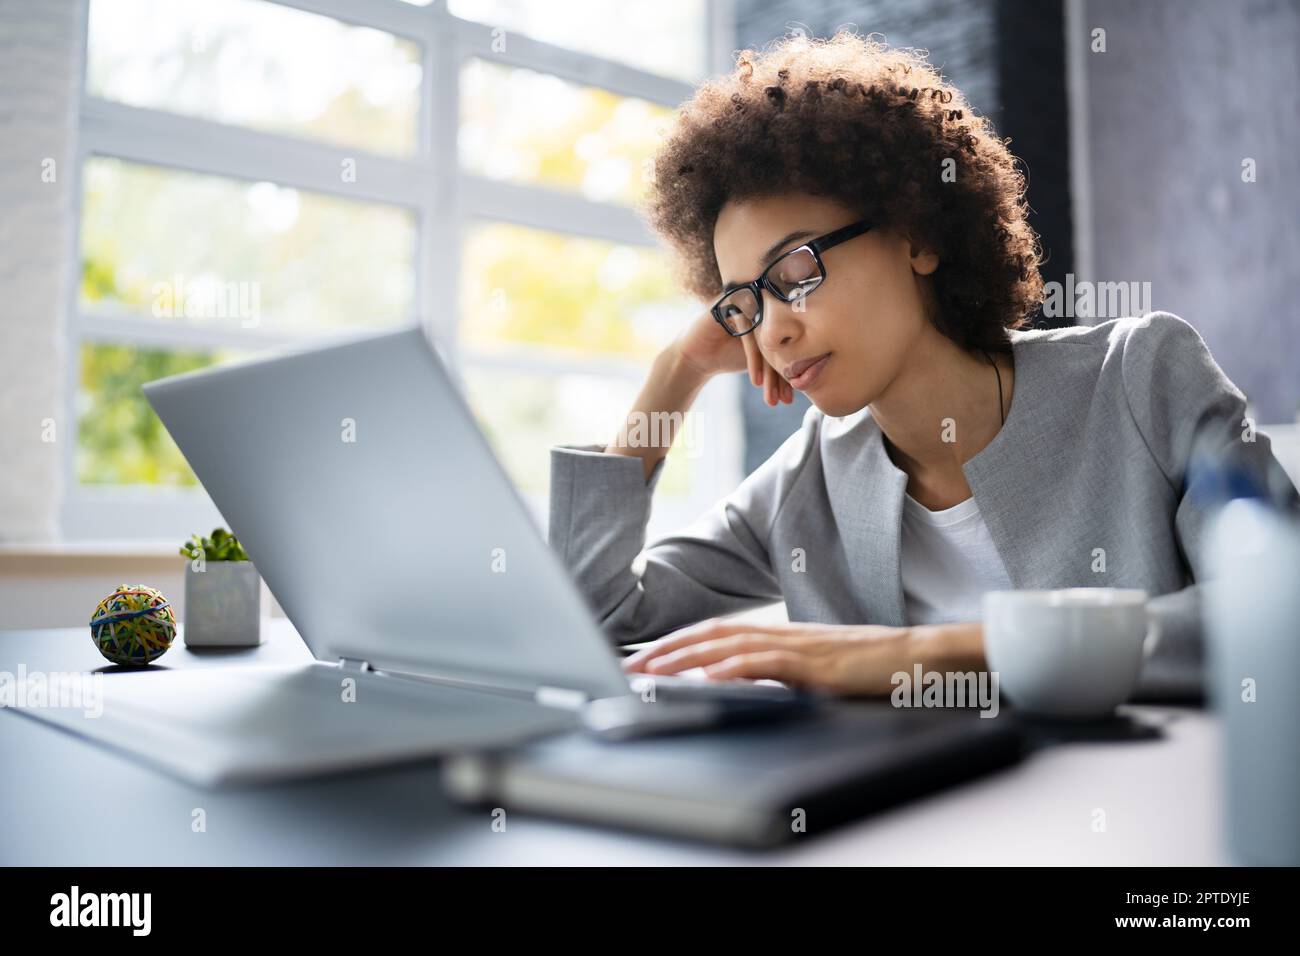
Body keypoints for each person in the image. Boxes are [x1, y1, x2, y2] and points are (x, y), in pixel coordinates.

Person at [545, 31, 1297, 697]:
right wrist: (676, 373)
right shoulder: (808, 481)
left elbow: (1276, 614)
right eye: (743, 302)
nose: (772, 330)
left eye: (795, 271)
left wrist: (923, 654)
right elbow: (595, 620)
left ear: (916, 237)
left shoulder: (1142, 377)